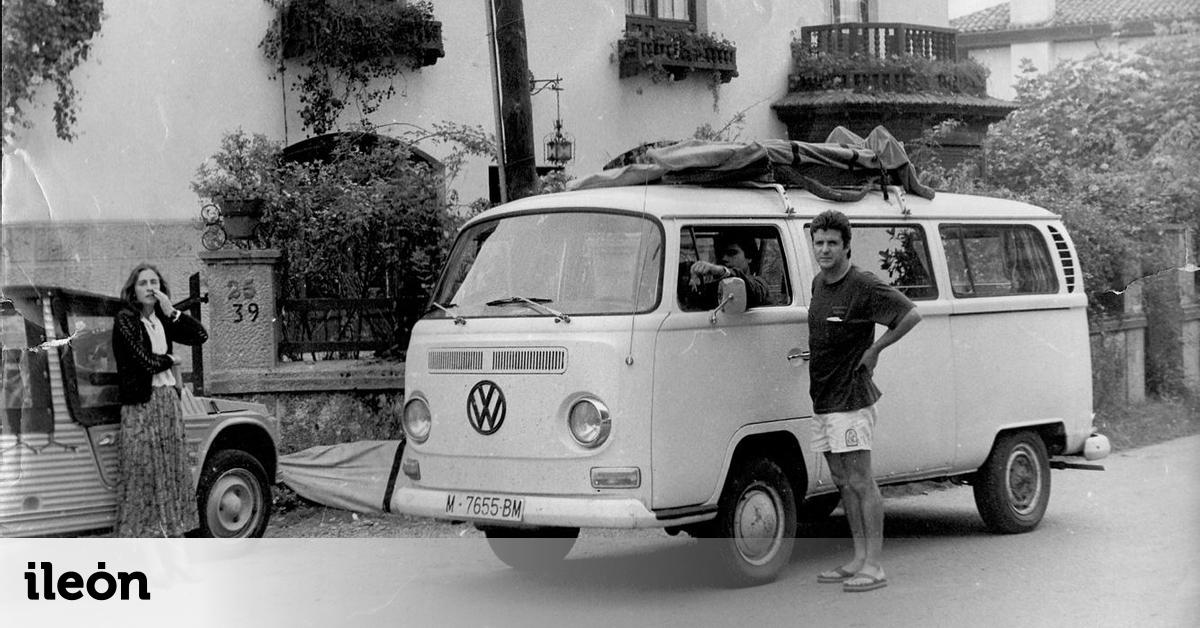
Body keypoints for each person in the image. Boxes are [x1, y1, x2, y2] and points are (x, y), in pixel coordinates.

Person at [807, 210, 921, 593]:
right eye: (819, 242)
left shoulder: (863, 284)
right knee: (842, 481)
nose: (825, 249)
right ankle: (858, 558)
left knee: (860, 481)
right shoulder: (819, 284)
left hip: (852, 400)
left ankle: (874, 566)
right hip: (824, 400)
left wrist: (875, 350)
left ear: (846, 246)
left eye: (832, 243)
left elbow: (910, 315)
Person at [111, 263, 208, 537]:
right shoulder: (126, 319)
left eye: (154, 283)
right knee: (143, 470)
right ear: (133, 290)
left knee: (170, 467)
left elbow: (200, 336)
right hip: (140, 403)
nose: (150, 288)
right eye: (143, 283)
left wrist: (172, 312)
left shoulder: (162, 319)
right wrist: (171, 359)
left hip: (167, 401)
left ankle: (171, 532)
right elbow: (143, 361)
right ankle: (140, 535)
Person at [684, 235, 771, 309]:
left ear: (749, 257)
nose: (724, 258)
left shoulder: (759, 284)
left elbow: (753, 291)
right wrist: (693, 279)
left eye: (732, 253)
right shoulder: (716, 288)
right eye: (720, 254)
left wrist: (722, 271)